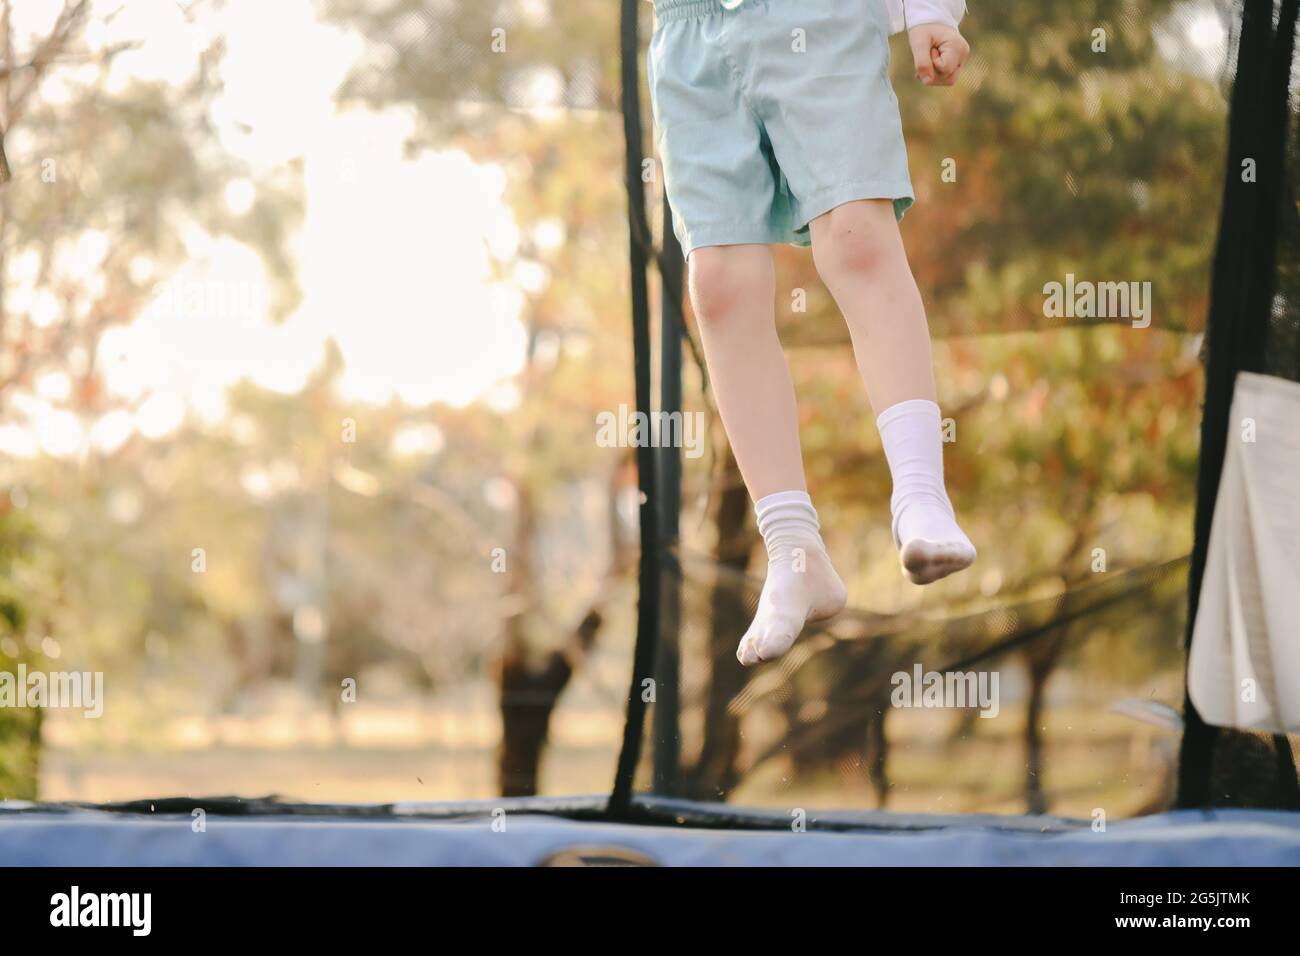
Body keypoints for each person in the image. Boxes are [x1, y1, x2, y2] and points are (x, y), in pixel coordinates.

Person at [645, 0, 976, 666]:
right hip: (688, 31)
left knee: (855, 237)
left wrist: (930, 10)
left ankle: (921, 494)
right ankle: (793, 548)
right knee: (717, 284)